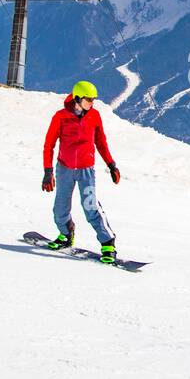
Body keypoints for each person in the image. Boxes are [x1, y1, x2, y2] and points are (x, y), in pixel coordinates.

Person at [41, 80, 121, 264]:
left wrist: (111, 165)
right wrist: (48, 171)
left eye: (93, 100)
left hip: (86, 170)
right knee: (60, 207)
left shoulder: (94, 116)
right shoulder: (60, 117)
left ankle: (108, 243)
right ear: (77, 98)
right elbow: (49, 144)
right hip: (65, 169)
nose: (92, 103)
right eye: (88, 99)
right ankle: (66, 234)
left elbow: (100, 142)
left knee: (90, 207)